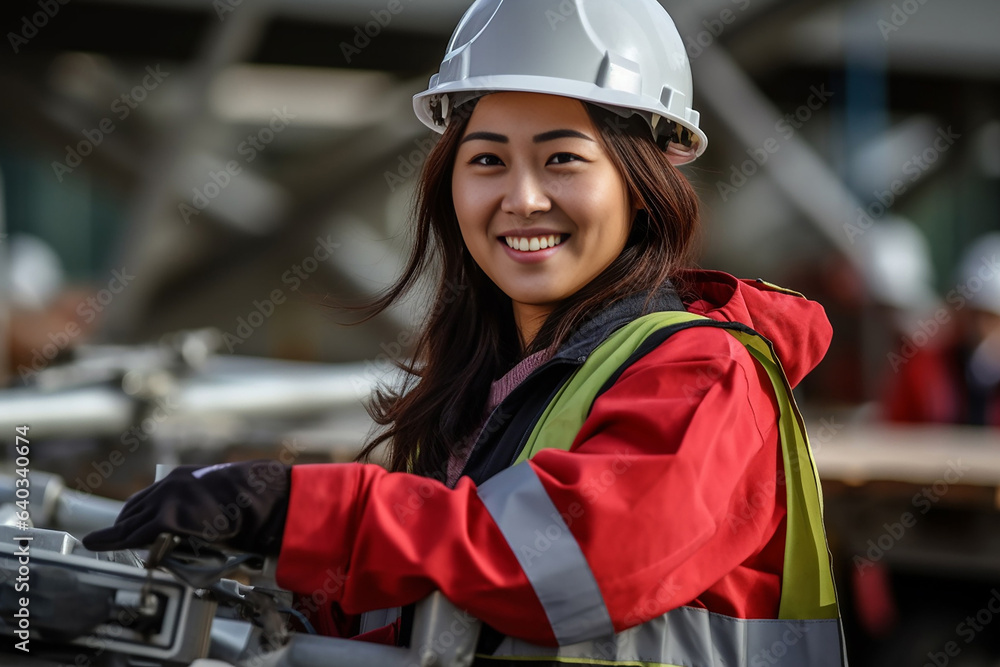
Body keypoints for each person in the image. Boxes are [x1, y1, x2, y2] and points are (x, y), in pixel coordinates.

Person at [84, 1, 846, 664]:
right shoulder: (485, 387)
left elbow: (576, 559)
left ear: (642, 188)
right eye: (487, 159)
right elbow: (427, 595)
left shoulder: (705, 371)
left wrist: (301, 506)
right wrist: (278, 573)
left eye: (563, 160)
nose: (521, 197)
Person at [881, 231, 1000, 426]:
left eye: (991, 317)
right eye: (974, 314)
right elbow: (896, 428)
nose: (981, 326)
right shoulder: (924, 366)